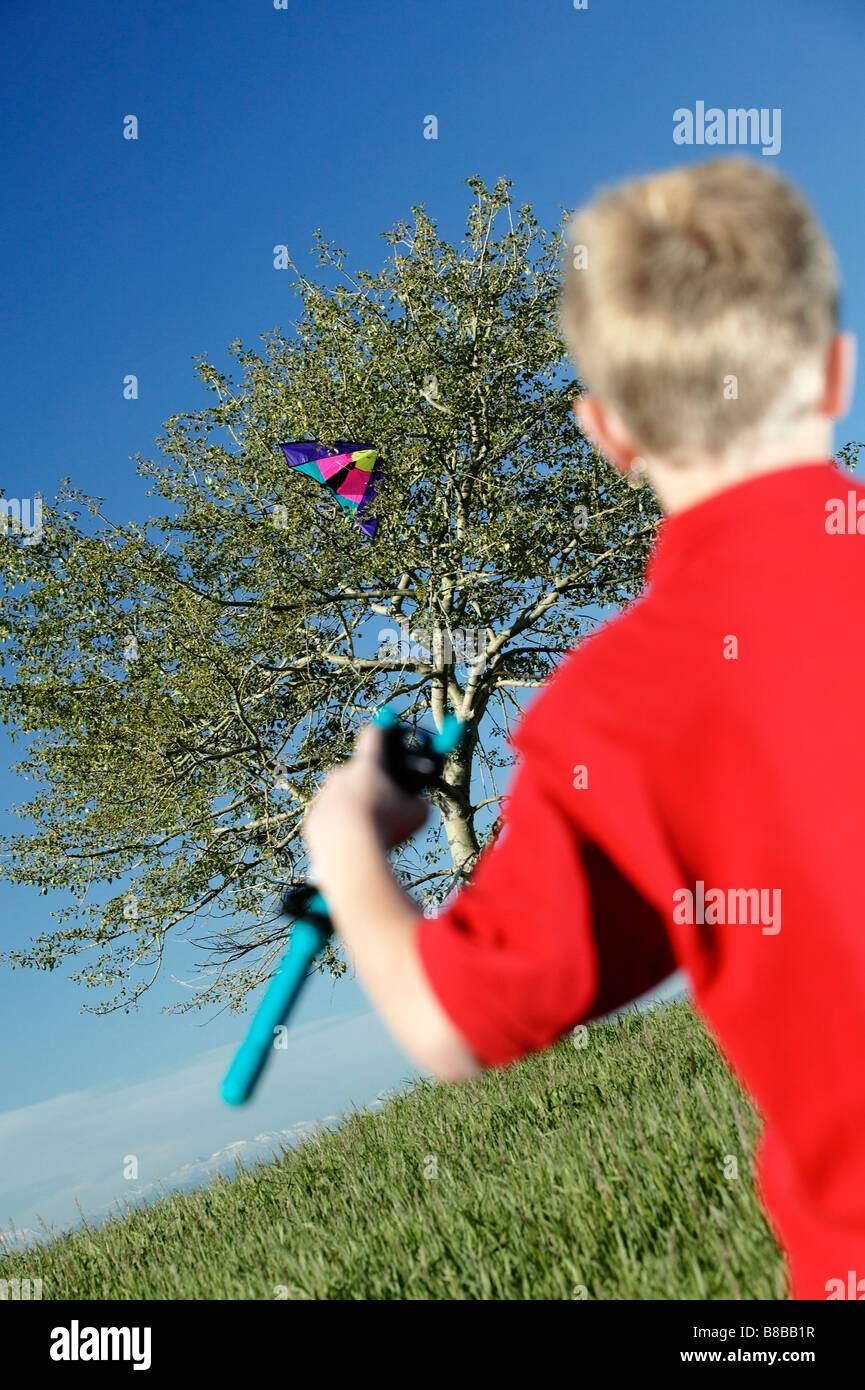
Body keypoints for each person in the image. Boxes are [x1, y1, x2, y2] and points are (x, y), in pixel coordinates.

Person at [303, 158, 863, 1301]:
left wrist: (346, 838)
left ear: (605, 431)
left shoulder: (622, 707)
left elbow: (451, 1020)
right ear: (834, 372)